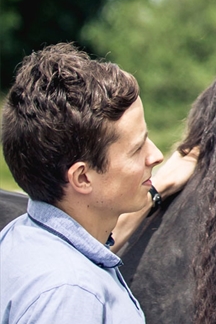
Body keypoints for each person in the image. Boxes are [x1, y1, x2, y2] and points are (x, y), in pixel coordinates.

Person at [0, 43, 196, 323]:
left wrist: (161, 185)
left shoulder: (20, 237)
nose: (155, 156)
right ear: (82, 177)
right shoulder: (71, 294)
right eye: (137, 148)